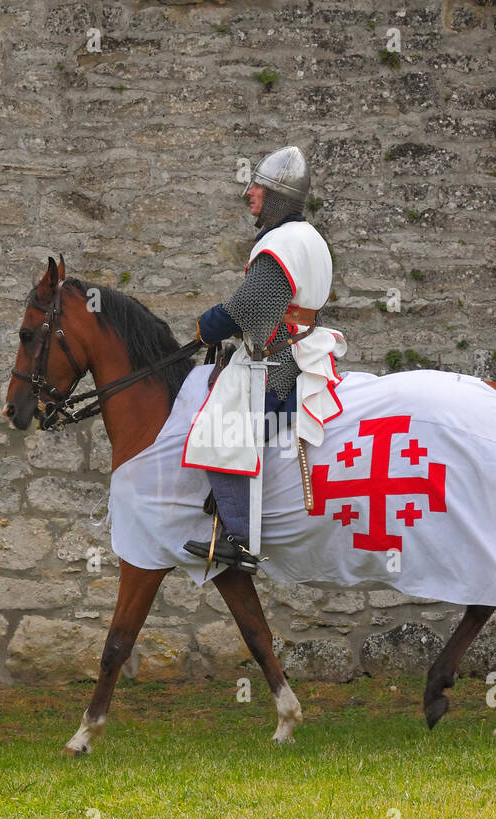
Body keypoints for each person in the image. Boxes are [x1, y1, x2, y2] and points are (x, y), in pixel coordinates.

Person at [181, 145, 345, 573]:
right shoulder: (311, 239)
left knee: (221, 425)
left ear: (276, 195)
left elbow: (247, 309)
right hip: (302, 347)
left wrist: (207, 326)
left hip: (278, 361)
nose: (248, 193)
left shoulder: (282, 243)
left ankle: (239, 538)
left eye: (257, 187)